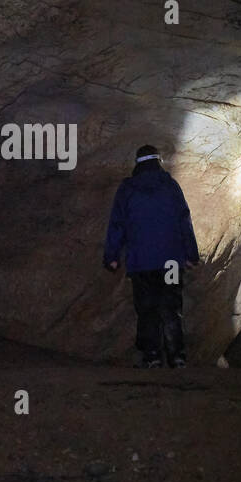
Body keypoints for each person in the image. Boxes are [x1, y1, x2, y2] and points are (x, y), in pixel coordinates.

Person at [103, 145, 200, 368]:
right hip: (171, 262)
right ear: (159, 162)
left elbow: (117, 224)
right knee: (171, 308)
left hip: (141, 262)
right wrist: (190, 254)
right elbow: (184, 220)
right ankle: (177, 357)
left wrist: (112, 255)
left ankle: (153, 356)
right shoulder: (171, 186)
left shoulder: (127, 189)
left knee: (147, 310)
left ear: (137, 164)